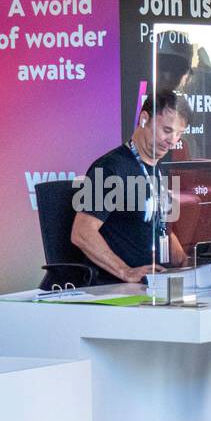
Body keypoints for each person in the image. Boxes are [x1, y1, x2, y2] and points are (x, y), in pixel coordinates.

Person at [71, 90, 190, 284]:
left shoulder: (157, 168)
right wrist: (125, 272)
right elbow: (82, 233)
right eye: (167, 131)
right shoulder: (111, 168)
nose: (173, 140)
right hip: (117, 288)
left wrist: (186, 263)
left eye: (179, 134)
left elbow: (163, 228)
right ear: (144, 119)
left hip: (157, 283)